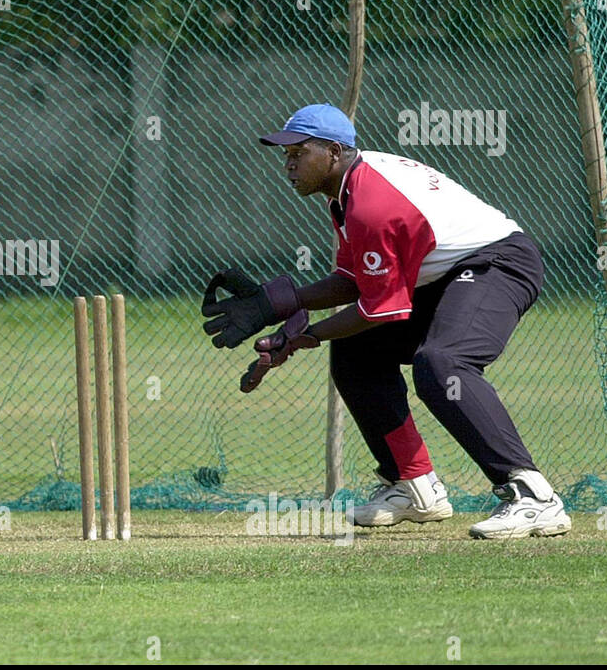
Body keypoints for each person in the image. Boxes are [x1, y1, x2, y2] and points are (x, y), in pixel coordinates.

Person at [201, 103, 571, 539]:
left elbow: (380, 309)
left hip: (497, 263)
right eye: (286, 156)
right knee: (357, 352)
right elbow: (354, 280)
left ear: (334, 152)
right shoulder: (346, 192)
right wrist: (277, 304)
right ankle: (413, 487)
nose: (289, 165)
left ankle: (533, 496)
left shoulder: (372, 204)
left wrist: (307, 335)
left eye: (299, 153)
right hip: (445, 275)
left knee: (443, 363)